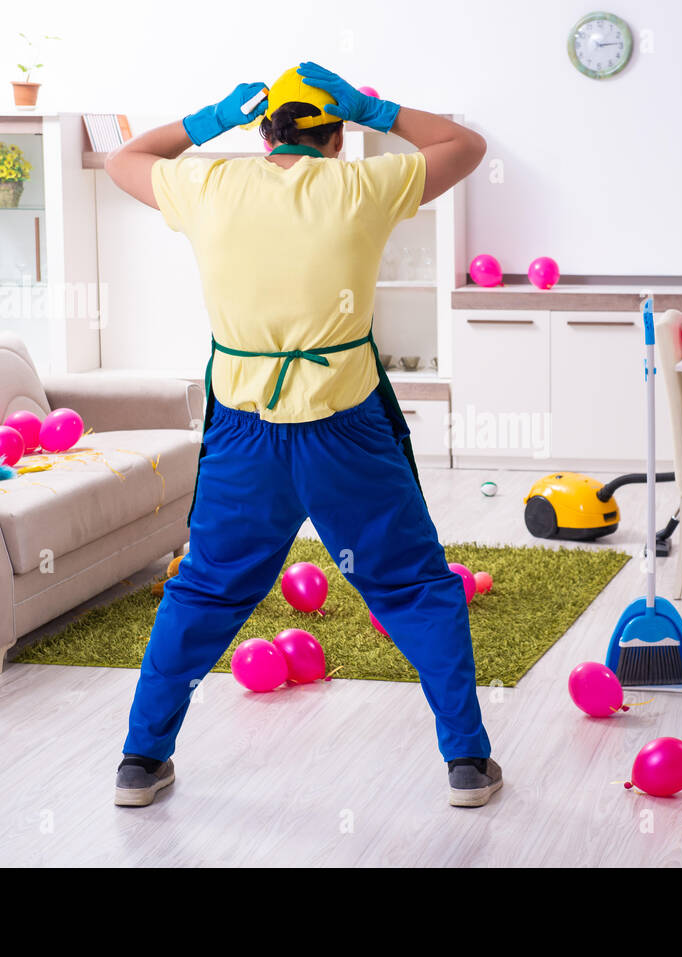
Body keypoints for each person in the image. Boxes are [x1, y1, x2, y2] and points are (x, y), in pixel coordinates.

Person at [104, 63, 500, 808]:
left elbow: (122, 158)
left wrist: (206, 121)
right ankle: (468, 766)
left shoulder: (210, 185)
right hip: (344, 435)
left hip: (244, 436)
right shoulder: (361, 188)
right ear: (338, 136)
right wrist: (376, 109)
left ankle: (139, 760)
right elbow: (466, 146)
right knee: (415, 585)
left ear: (262, 133)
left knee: (203, 593)